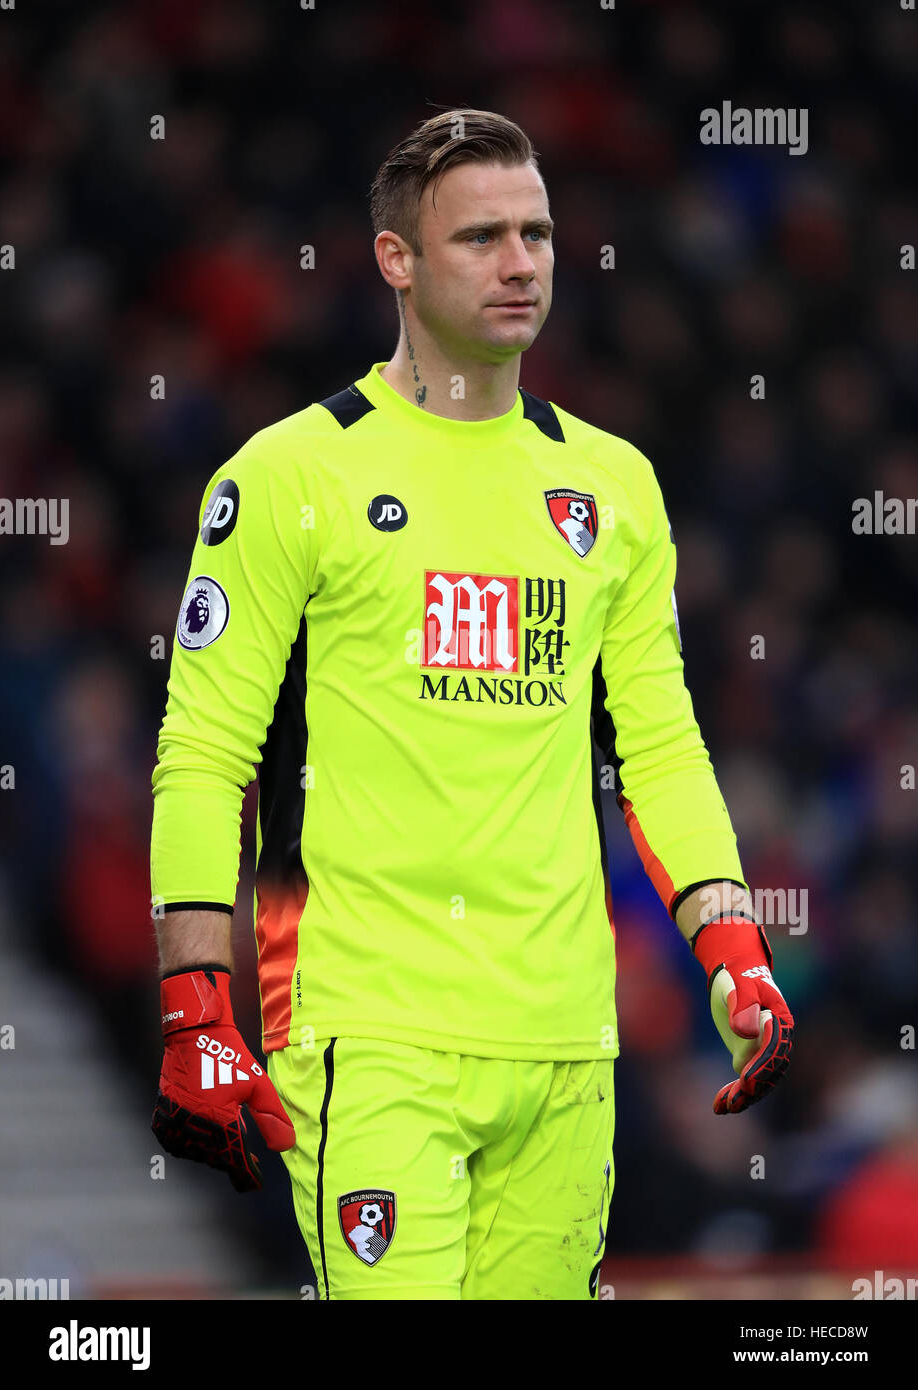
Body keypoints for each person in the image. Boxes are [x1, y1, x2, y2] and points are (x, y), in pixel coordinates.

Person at [149, 107, 794, 1301]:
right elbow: (203, 754)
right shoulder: (291, 475)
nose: (520, 263)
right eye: (482, 236)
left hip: (563, 1035)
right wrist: (196, 1003)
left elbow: (657, 744)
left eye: (538, 234)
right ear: (397, 260)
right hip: (366, 1024)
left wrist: (731, 943)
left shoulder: (610, 484)